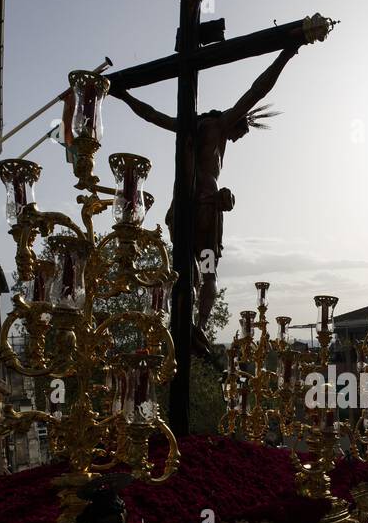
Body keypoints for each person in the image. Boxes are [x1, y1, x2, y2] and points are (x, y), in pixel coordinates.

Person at [113, 43, 303, 354]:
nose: (239, 138)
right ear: (240, 122)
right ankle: (198, 325)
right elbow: (257, 91)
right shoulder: (221, 124)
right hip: (205, 209)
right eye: (242, 133)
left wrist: (124, 96)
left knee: (183, 265)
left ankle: (182, 322)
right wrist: (287, 51)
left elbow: (150, 115)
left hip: (181, 209)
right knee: (208, 269)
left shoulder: (189, 125)